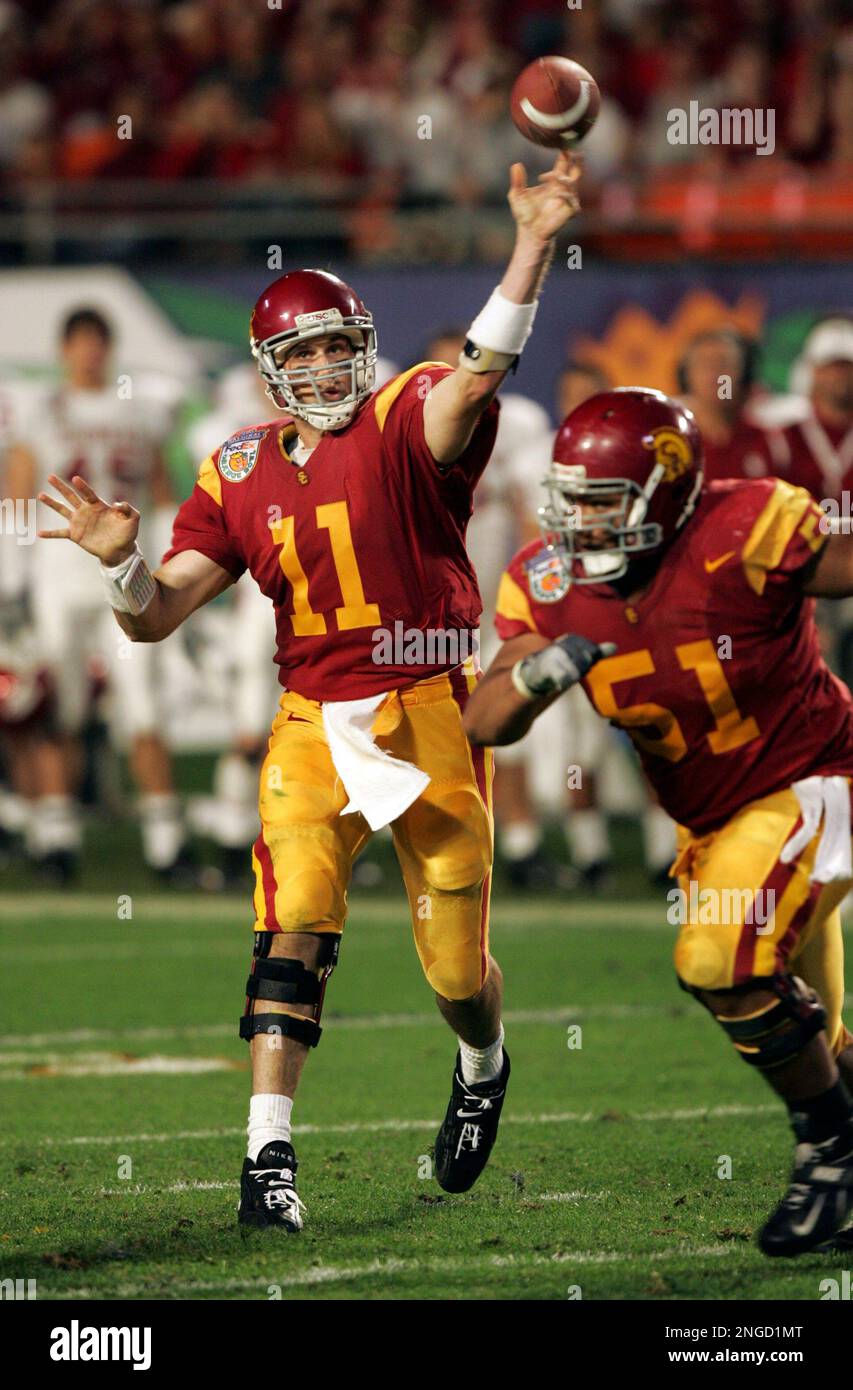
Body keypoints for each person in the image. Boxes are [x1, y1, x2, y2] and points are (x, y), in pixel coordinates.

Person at [37, 152, 582, 1233]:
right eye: (305, 352)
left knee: (454, 970)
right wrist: (118, 564)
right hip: (310, 724)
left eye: (339, 347)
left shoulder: (405, 417)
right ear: (270, 370)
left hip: (427, 712)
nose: (328, 368)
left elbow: (475, 375)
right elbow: (153, 616)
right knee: (291, 928)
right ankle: (267, 1158)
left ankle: (483, 1062)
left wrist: (531, 244)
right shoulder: (237, 469)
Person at [464, 386, 853, 1258]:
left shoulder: (745, 526)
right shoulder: (549, 580)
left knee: (719, 961)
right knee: (812, 1034)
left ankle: (830, 1151)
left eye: (603, 505)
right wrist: (536, 676)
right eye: (572, 503)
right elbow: (483, 722)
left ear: (665, 495)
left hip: (811, 778)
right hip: (712, 825)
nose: (580, 525)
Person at [6, 306, 189, 882]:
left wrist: (174, 565)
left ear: (108, 348)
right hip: (58, 576)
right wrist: (12, 580)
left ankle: (166, 843)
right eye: (79, 342)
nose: (88, 352)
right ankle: (57, 838)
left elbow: (162, 493)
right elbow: (18, 499)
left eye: (96, 341)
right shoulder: (41, 411)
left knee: (143, 704)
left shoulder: (140, 410)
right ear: (64, 350)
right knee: (59, 704)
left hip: (126, 572)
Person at [676, 328, 787, 485]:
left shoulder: (769, 441)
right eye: (704, 364)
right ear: (686, 375)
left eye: (723, 364)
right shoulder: (671, 438)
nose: (714, 374)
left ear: (744, 375)